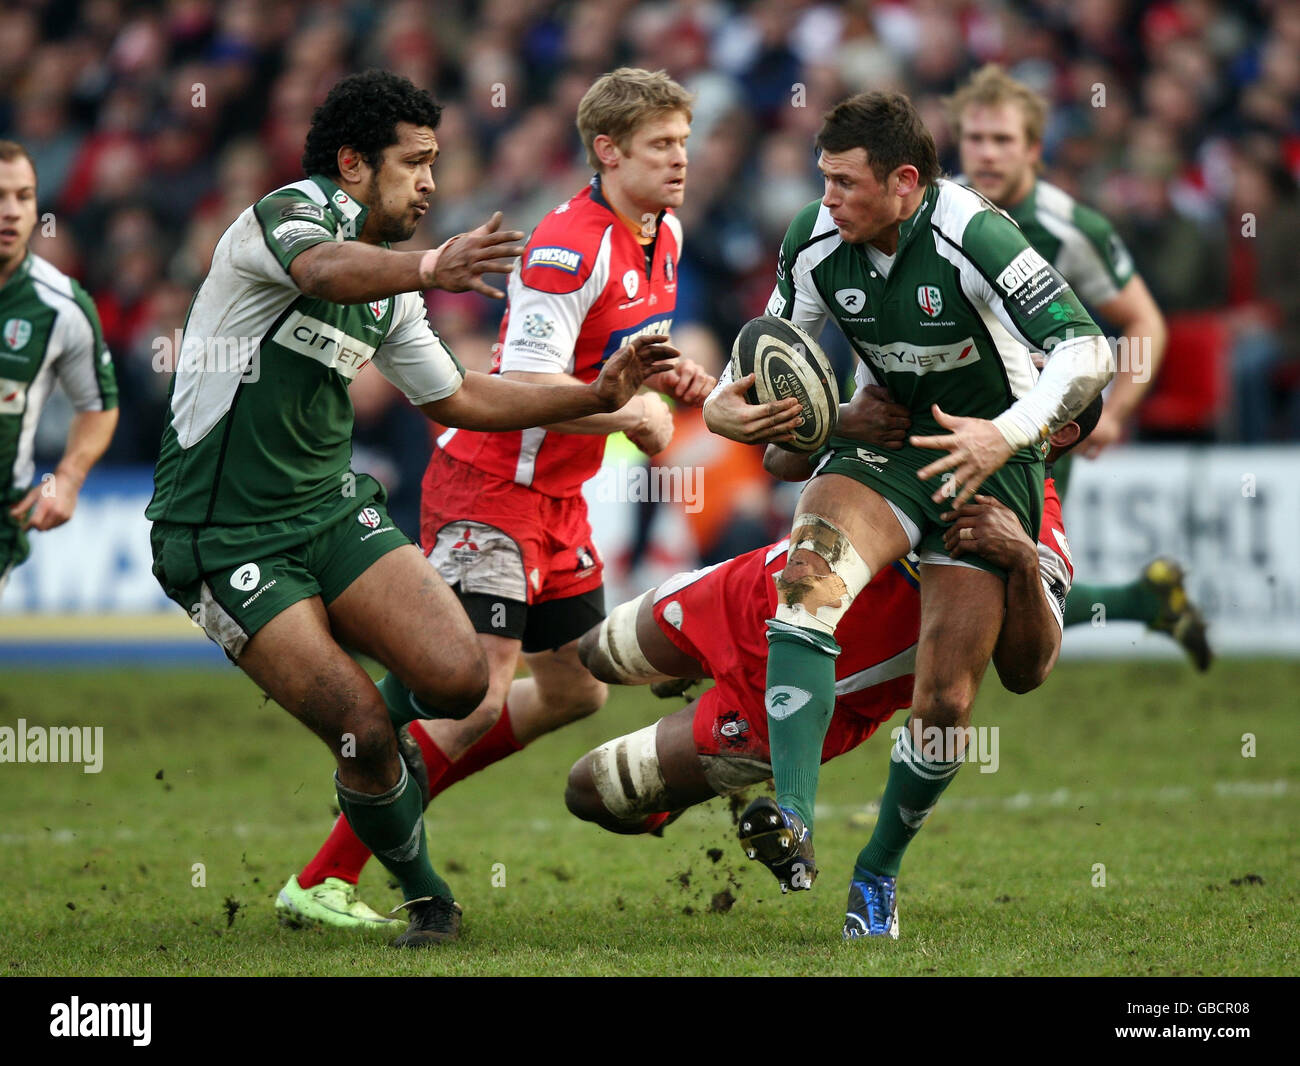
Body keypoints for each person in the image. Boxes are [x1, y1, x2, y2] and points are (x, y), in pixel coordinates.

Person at [146, 70, 675, 948]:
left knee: (463, 679)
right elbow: (322, 267)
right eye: (414, 163)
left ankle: (369, 771)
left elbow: (461, 396)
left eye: (437, 163)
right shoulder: (286, 218)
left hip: (327, 513)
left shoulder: (390, 289)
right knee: (361, 725)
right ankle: (428, 900)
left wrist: (595, 397)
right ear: (353, 165)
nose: (431, 183)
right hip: (220, 533)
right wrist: (432, 265)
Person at [274, 68, 715, 931]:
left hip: (559, 497)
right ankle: (331, 870)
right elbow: (523, 381)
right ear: (608, 150)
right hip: (489, 487)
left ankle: (388, 751)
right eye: (662, 145)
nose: (681, 161)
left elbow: (616, 354)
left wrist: (672, 378)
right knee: (474, 694)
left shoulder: (664, 232)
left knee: (573, 691)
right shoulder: (566, 249)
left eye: (685, 144)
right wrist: (633, 414)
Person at [702, 91, 1113, 935]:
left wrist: (1004, 437)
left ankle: (878, 871)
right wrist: (725, 413)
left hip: (982, 459)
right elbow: (758, 373)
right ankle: (795, 820)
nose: (828, 199)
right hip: (886, 448)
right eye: (823, 179)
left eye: (845, 183)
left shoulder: (976, 232)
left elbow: (1090, 351)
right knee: (806, 579)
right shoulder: (813, 240)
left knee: (948, 704)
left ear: (904, 182)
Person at [568, 395, 1102, 938]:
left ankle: (719, 809)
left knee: (588, 791)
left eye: (1035, 377)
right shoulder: (925, 410)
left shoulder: (1035, 527)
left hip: (798, 701)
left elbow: (1028, 671)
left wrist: (1024, 563)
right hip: (747, 595)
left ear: (1058, 431)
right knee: (593, 652)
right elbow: (779, 460)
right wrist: (838, 419)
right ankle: (690, 678)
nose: (1011, 372)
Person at [949, 64, 1210, 670]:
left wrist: (1114, 412)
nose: (986, 153)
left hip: (1041, 430)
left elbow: (1146, 324)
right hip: (952, 416)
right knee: (968, 569)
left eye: (1003, 140)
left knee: (1011, 576)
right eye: (975, 138)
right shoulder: (939, 213)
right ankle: (1146, 601)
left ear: (1034, 149)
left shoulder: (1074, 229)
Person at [0, 141, 118, 597]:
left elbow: (98, 405)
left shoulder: (61, 306)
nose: (11, 211)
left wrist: (67, 479)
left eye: (24, 197)